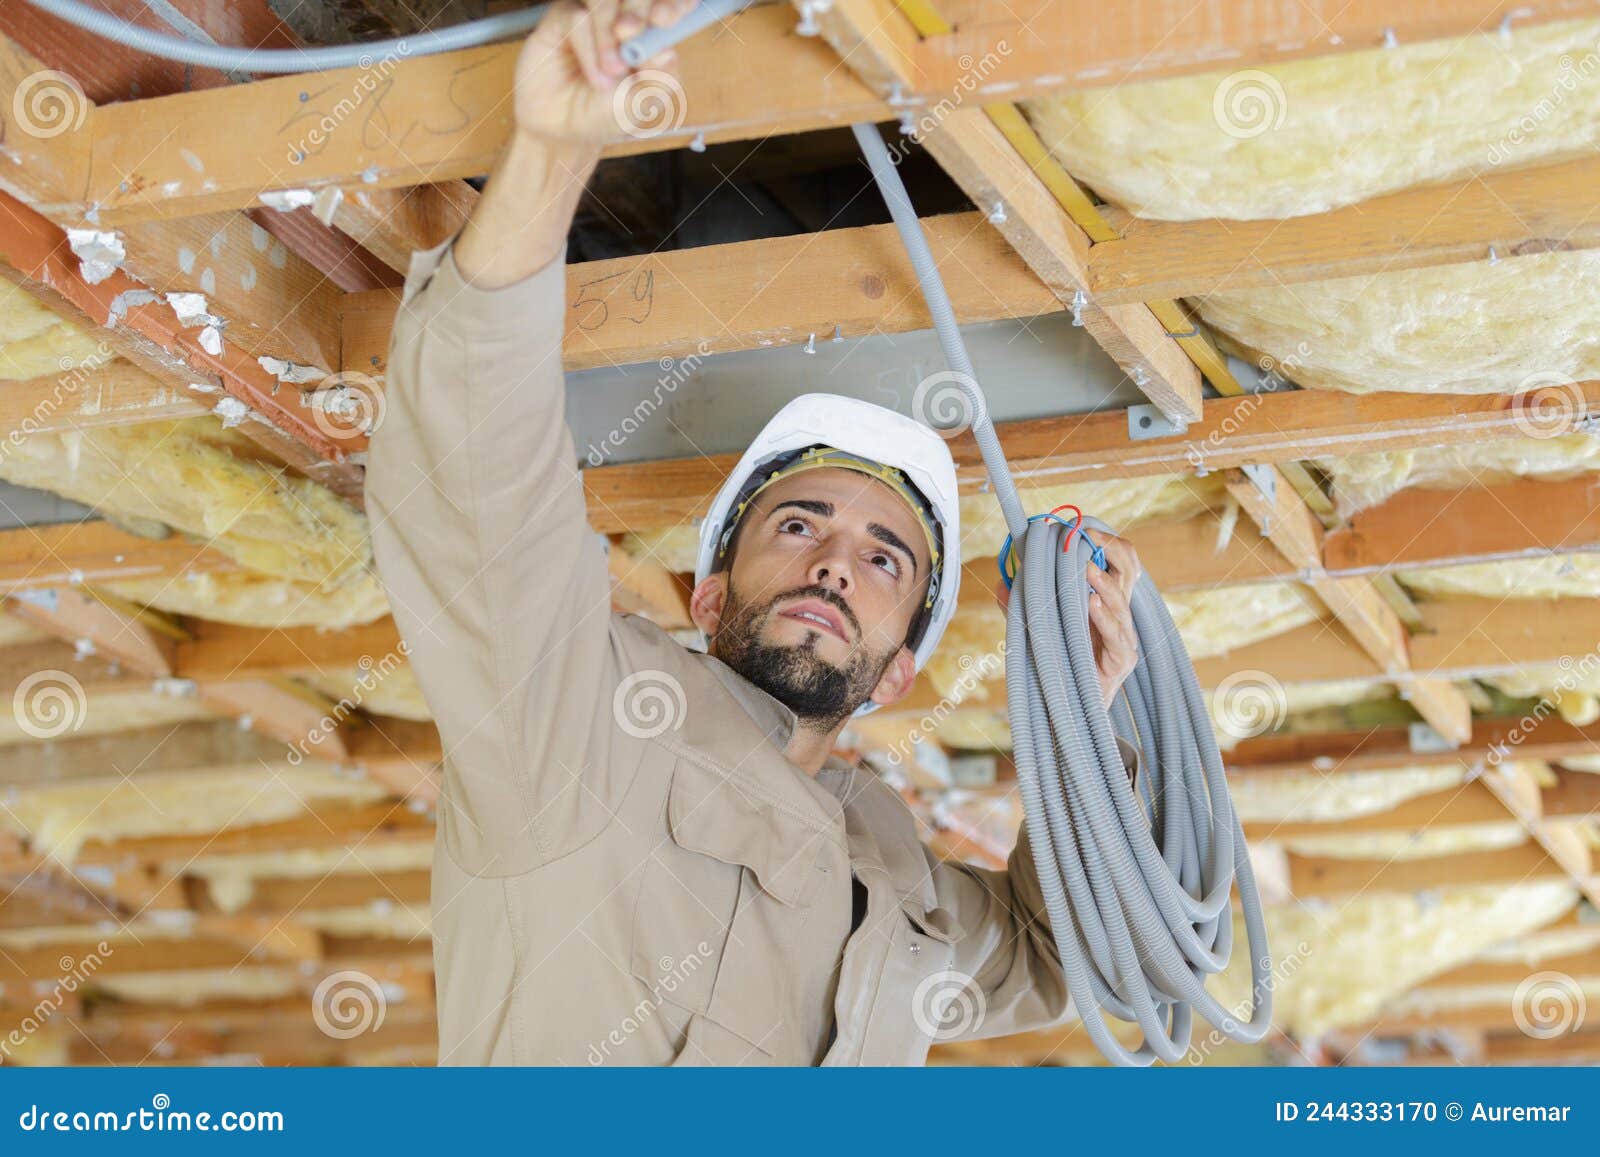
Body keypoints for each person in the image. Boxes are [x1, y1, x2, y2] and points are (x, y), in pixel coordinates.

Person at [365, 0, 1144, 1066]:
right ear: (703, 595)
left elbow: (1067, 962)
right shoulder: (583, 726)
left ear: (898, 671)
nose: (833, 560)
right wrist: (550, 155)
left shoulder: (895, 878)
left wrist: (1080, 724)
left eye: (884, 558)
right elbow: (473, 487)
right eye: (797, 521)